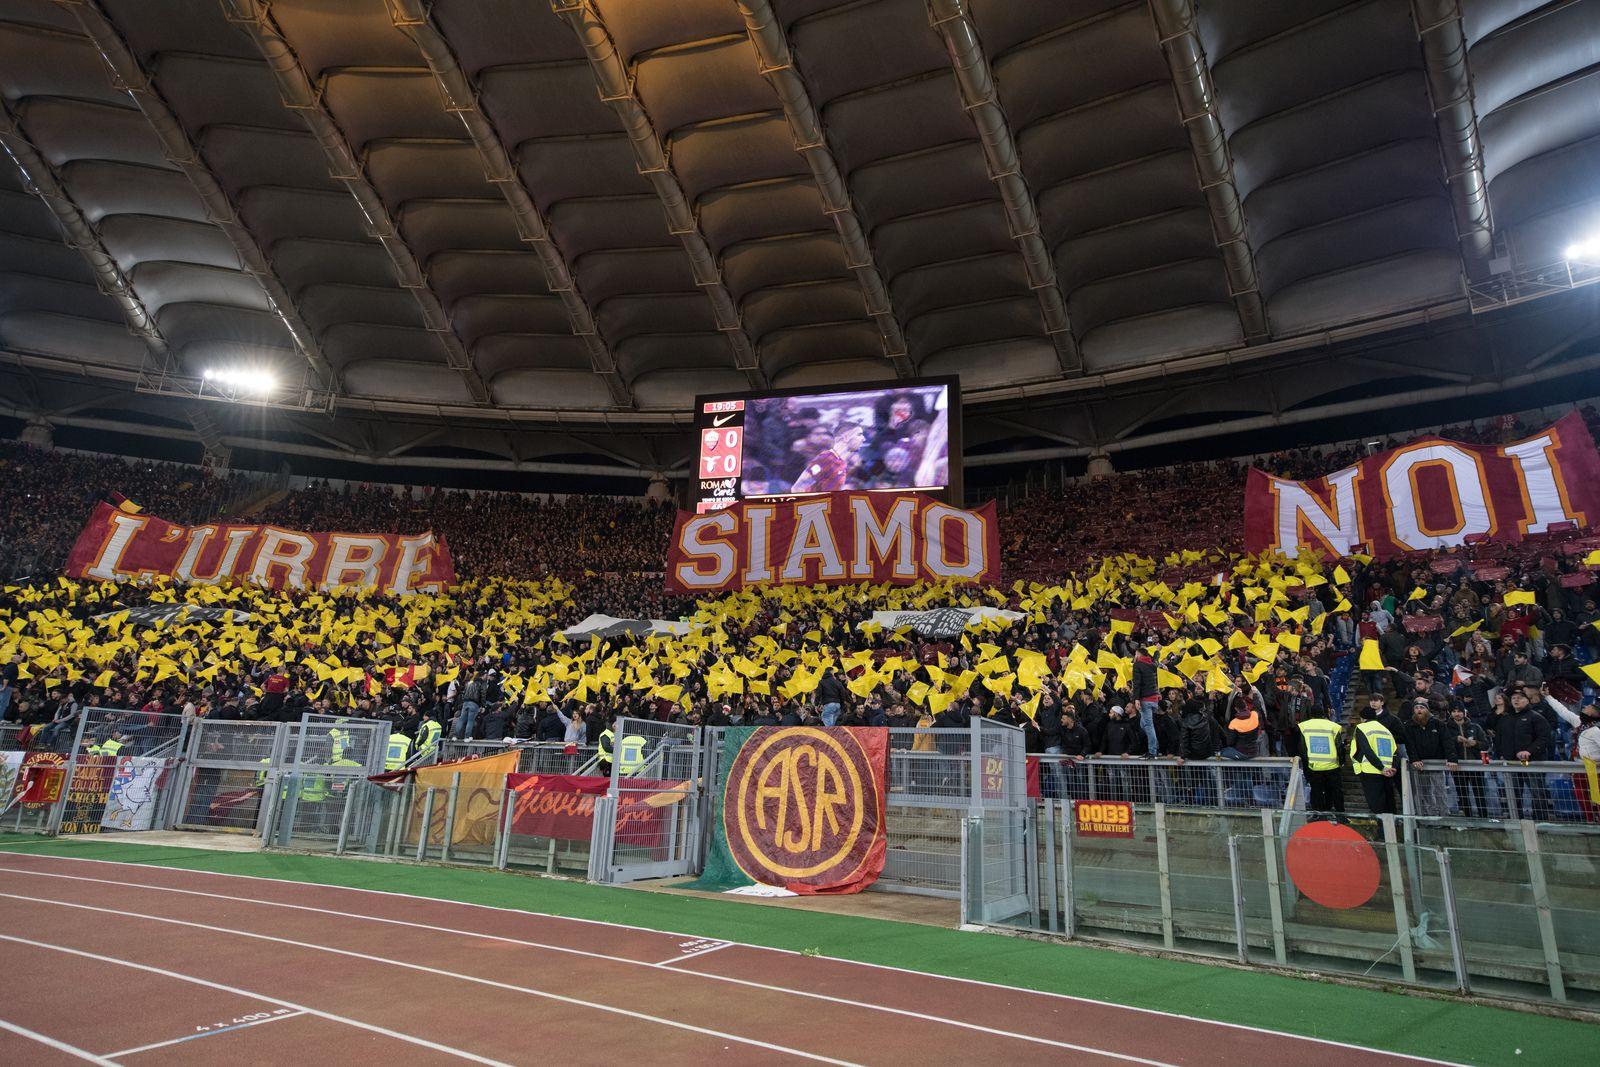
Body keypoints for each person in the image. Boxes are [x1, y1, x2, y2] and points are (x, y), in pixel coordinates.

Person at [1399, 699, 1457, 816]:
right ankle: (1429, 815)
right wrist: (1414, 759)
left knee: (1439, 790)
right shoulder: (1410, 726)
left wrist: (1451, 759)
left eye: (1422, 708)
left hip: (1436, 762)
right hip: (1421, 764)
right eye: (1416, 708)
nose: (1419, 710)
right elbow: (1410, 745)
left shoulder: (1438, 724)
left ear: (1427, 710)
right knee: (1424, 791)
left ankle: (1444, 814)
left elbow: (1447, 742)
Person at [1350, 703, 1400, 815]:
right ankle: (1392, 828)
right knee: (1389, 802)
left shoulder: (1362, 728)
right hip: (1388, 772)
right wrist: (1392, 768)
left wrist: (1381, 767)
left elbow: (1367, 750)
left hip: (1370, 770)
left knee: (1376, 804)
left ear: (1362, 718)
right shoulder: (1386, 730)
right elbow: (1395, 752)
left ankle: (1380, 830)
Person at [1293, 707, 1344, 815]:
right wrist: (1342, 761)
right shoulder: (1333, 726)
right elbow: (1339, 746)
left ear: (1311, 715)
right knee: (1336, 791)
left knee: (1317, 791)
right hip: (1332, 765)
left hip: (1314, 766)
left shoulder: (1304, 726)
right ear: (1324, 715)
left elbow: (1302, 748)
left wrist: (1307, 762)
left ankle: (1319, 815)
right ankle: (1340, 814)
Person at [790, 424, 864, 493]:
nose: (823, 437)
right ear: (809, 437)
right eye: (818, 434)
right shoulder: (800, 451)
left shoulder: (838, 451)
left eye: (825, 434)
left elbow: (856, 464)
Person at [1447, 706, 1490, 818]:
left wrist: (1475, 743)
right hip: (1457, 766)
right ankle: (1468, 818)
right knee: (1462, 794)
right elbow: (1444, 744)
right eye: (1454, 711)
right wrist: (1455, 740)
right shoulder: (1446, 728)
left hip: (1475, 765)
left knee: (1479, 793)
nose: (1457, 714)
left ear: (1464, 712)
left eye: (1459, 711)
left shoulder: (1475, 727)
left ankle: (1484, 818)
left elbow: (1486, 744)